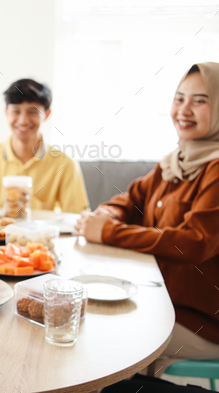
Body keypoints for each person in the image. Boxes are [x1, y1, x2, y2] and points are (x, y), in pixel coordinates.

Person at [75, 62, 219, 371]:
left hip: (203, 323)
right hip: (162, 300)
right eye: (179, 98)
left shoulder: (216, 170)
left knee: (108, 345)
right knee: (84, 321)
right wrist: (105, 215)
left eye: (199, 100)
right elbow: (129, 201)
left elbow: (195, 242)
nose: (184, 109)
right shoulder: (175, 163)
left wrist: (109, 232)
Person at [0, 79, 89, 213]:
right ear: (6, 112)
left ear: (46, 114)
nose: (23, 121)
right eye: (16, 111)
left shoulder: (65, 164)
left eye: (32, 112)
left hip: (43, 234)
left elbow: (77, 218)